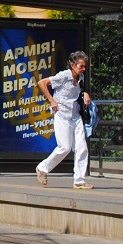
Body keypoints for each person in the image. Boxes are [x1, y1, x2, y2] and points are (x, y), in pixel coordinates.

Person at [35, 51, 94, 189]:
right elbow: (42, 83)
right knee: (65, 147)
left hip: (76, 116)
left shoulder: (81, 78)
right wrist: (51, 100)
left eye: (84, 66)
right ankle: (42, 168)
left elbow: (81, 90)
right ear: (72, 65)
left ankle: (79, 180)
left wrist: (85, 94)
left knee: (81, 147)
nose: (83, 69)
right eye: (81, 66)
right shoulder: (63, 76)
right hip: (62, 115)